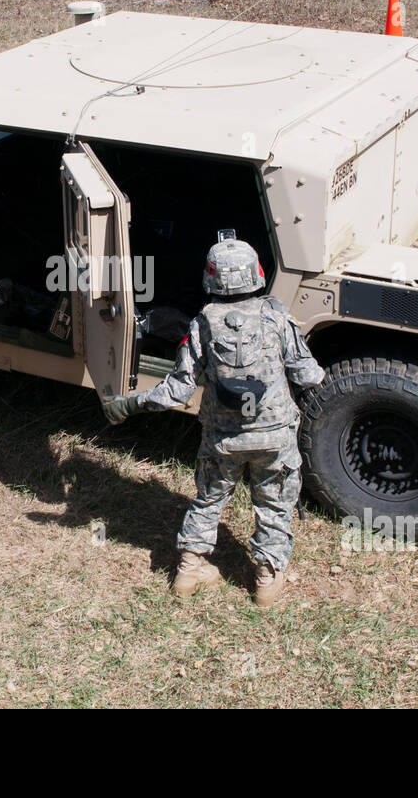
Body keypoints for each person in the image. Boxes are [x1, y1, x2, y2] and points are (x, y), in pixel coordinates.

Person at [101, 234, 325, 608]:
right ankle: (267, 582)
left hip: (223, 439)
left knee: (209, 500)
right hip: (273, 438)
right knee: (273, 504)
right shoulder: (276, 315)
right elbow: (309, 375)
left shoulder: (202, 323)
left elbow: (176, 390)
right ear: (256, 272)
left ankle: (189, 570)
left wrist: (129, 404)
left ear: (211, 277)